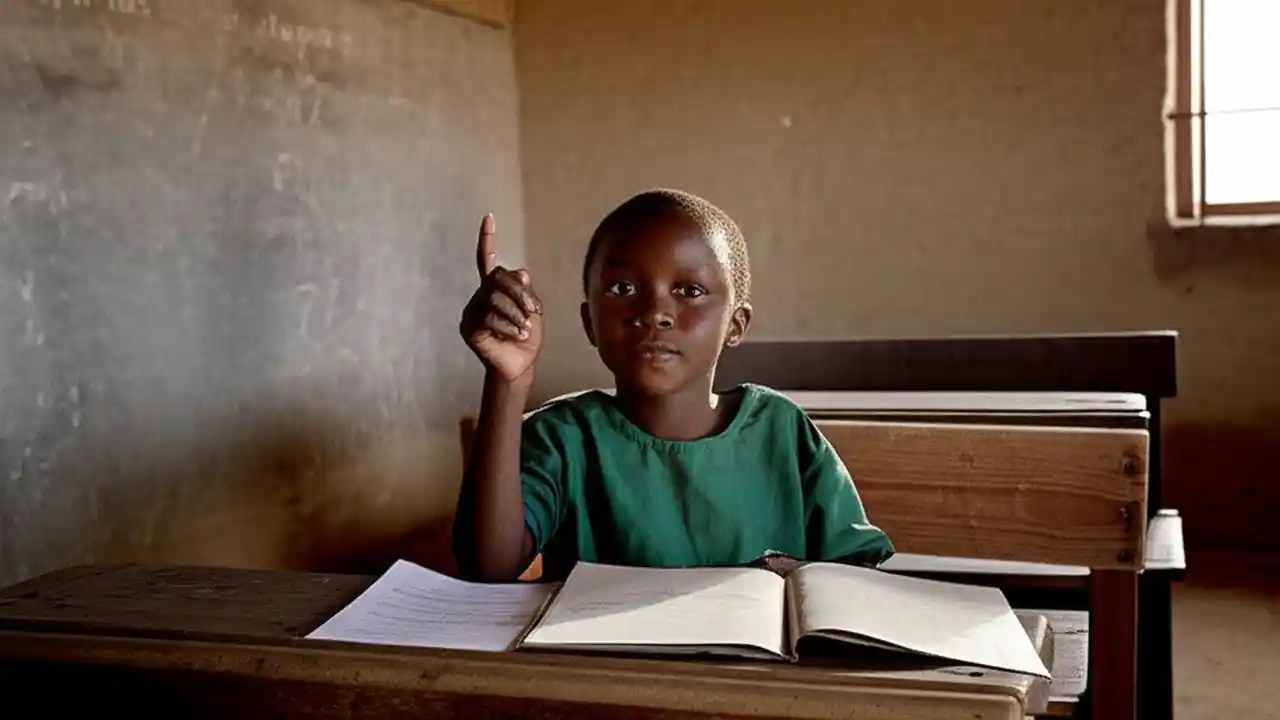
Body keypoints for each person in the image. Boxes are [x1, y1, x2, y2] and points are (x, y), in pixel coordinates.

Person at [452, 189, 892, 582]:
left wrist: (794, 576)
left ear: (736, 325)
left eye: (689, 290)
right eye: (623, 287)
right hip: (607, 671)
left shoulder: (782, 430)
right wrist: (508, 381)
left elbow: (857, 573)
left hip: (761, 673)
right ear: (589, 322)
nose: (654, 312)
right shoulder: (565, 439)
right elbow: (488, 566)